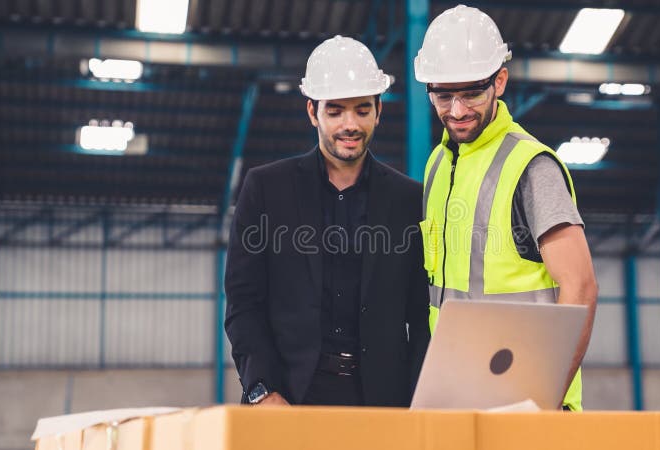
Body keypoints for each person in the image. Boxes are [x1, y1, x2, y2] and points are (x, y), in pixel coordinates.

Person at [225, 35, 430, 407]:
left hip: (383, 404)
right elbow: (243, 302)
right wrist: (263, 390)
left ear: (379, 111)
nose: (349, 124)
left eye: (362, 110)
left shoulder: (409, 201)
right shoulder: (266, 190)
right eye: (335, 111)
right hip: (286, 398)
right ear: (312, 112)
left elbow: (421, 316)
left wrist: (418, 402)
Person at [414, 5, 598, 411]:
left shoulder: (532, 167)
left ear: (499, 81)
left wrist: (546, 402)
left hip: (525, 405)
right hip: (453, 400)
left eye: (472, 93)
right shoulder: (437, 166)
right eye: (443, 95)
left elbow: (581, 287)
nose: (457, 110)